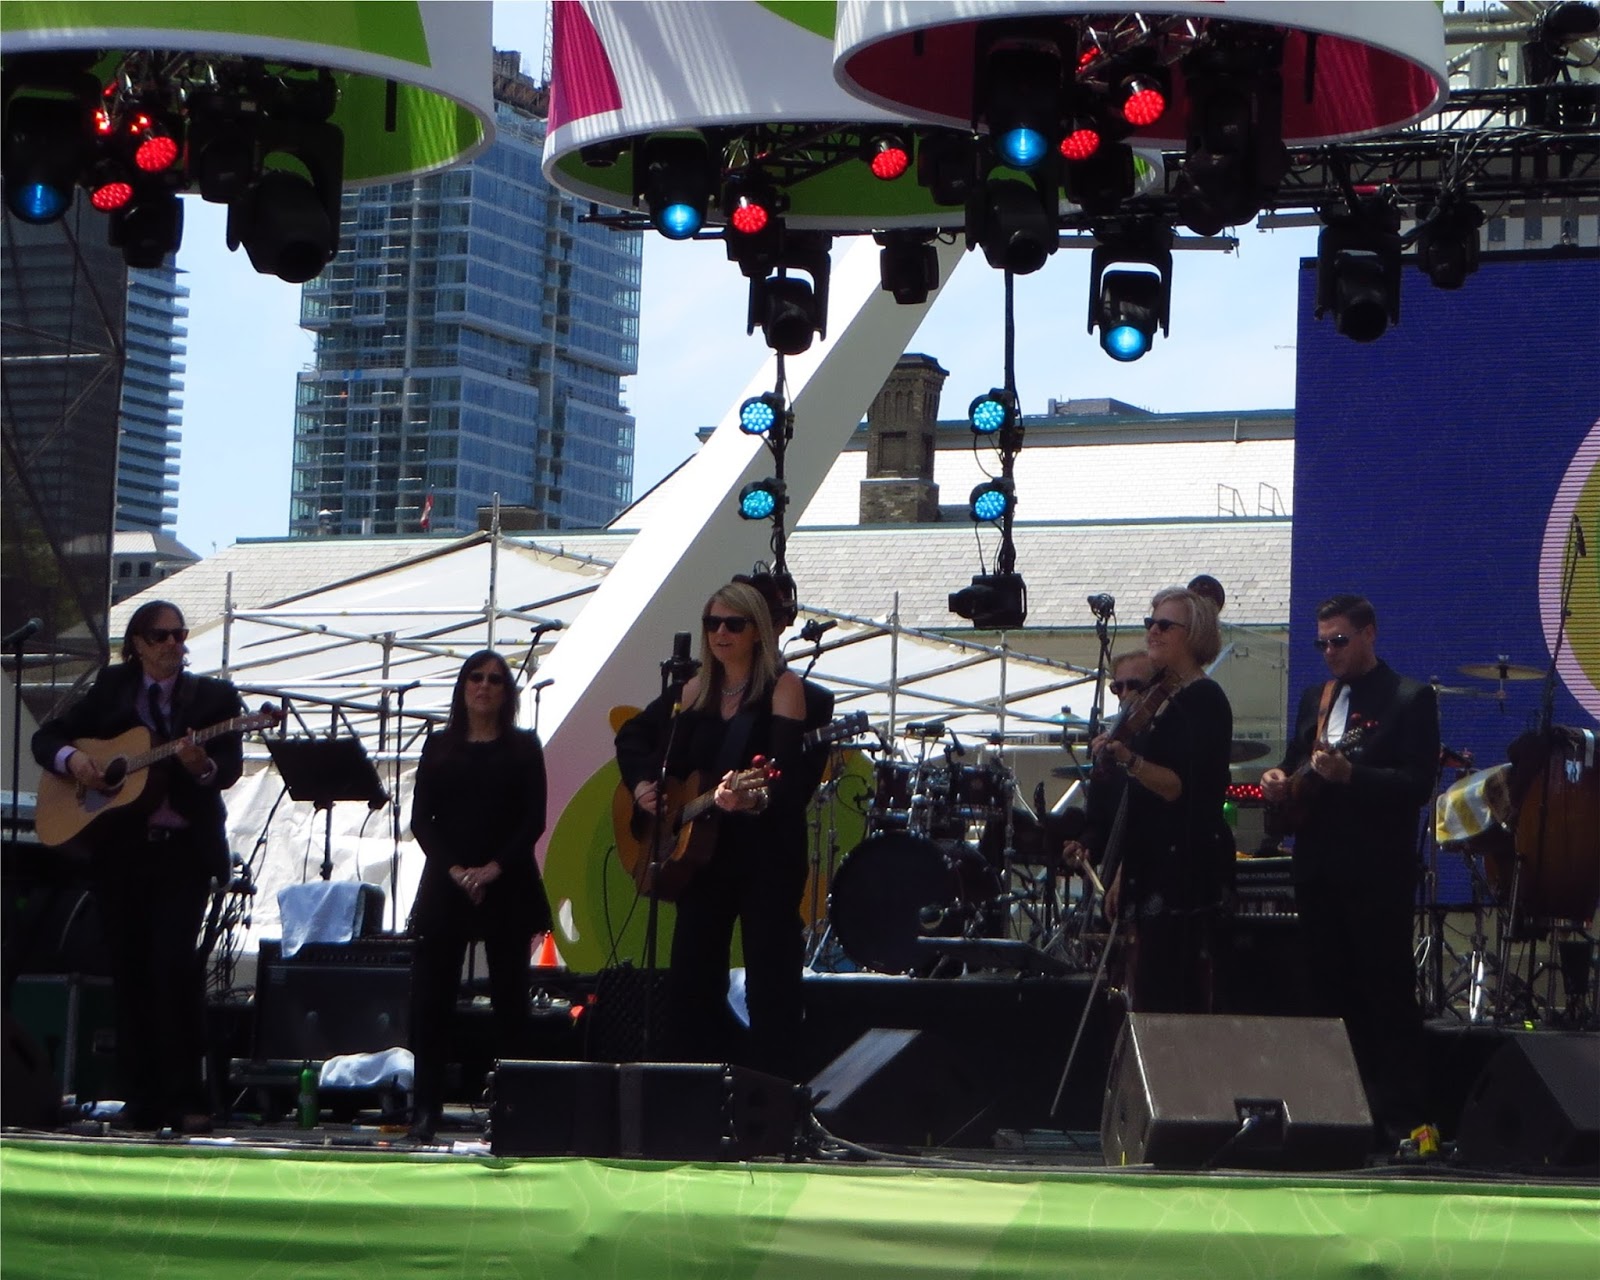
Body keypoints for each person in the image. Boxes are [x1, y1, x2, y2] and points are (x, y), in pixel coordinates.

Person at [31, 600, 245, 1132]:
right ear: (138, 644)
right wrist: (77, 762)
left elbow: (229, 771)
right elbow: (46, 739)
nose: (174, 643)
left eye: (179, 634)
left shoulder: (214, 698)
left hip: (182, 855)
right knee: (128, 973)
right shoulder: (111, 689)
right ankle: (140, 1101)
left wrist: (203, 766)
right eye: (161, 635)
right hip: (121, 855)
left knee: (173, 968)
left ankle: (187, 1097)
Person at [1260, 593, 1437, 1144]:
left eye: (1339, 640)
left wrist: (1352, 777)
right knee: (1325, 990)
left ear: (1369, 635)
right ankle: (1335, 1112)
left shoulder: (1409, 698)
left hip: (1376, 870)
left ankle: (1403, 1119)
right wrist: (1278, 777)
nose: (1329, 651)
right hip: (1317, 864)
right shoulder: (1319, 695)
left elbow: (1417, 784)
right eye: (1322, 642)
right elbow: (1296, 757)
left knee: (1384, 991)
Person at [614, 581, 809, 1078]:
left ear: (756, 631)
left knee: (770, 978)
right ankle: (693, 1093)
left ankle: (772, 1096)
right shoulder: (696, 689)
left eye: (733, 624)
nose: (721, 633)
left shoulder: (783, 689)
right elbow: (634, 734)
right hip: (700, 862)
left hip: (764, 857)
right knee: (692, 979)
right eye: (713, 623)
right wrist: (642, 788)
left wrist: (749, 797)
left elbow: (785, 777)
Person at [407, 650, 550, 1141]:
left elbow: (533, 819)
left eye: (494, 679)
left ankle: (514, 1107)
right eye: (475, 678)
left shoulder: (524, 748)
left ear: (506, 692)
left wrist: (492, 869)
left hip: (506, 881)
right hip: (446, 883)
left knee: (510, 1000)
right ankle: (425, 1109)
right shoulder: (438, 747)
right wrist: (455, 869)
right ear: (462, 687)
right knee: (431, 1001)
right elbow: (421, 821)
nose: (484, 686)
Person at [1086, 588, 1235, 1013]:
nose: (1153, 630)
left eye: (1165, 625)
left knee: (1171, 993)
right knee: (1150, 992)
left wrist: (1128, 758)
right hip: (1154, 865)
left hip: (1185, 872)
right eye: (1150, 622)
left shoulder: (1202, 700)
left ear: (1194, 634)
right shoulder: (1165, 699)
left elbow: (1176, 787)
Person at [1062, 648, 1157, 875]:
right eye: (1117, 687)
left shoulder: (1166, 738)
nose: (1125, 695)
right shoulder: (1110, 750)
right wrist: (1084, 847)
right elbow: (1099, 822)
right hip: (1118, 876)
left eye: (1134, 686)